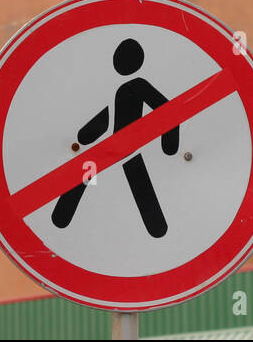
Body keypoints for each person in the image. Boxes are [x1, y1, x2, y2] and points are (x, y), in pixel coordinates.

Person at [51, 38, 176, 238]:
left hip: (125, 146)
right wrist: (85, 135)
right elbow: (106, 116)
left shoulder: (138, 85)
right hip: (113, 146)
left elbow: (167, 110)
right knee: (123, 178)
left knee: (137, 184)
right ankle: (60, 218)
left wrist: (169, 144)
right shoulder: (115, 88)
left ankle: (158, 228)